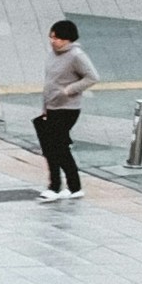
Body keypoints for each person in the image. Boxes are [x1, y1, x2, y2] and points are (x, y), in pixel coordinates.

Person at [39, 18, 97, 198]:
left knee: (56, 147)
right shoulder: (52, 55)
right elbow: (49, 83)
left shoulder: (76, 56)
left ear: (67, 39)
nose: (53, 41)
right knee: (54, 147)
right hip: (52, 106)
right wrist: (45, 106)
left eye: (57, 38)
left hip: (68, 108)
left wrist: (69, 90)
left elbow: (92, 77)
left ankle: (56, 186)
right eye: (51, 37)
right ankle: (73, 187)